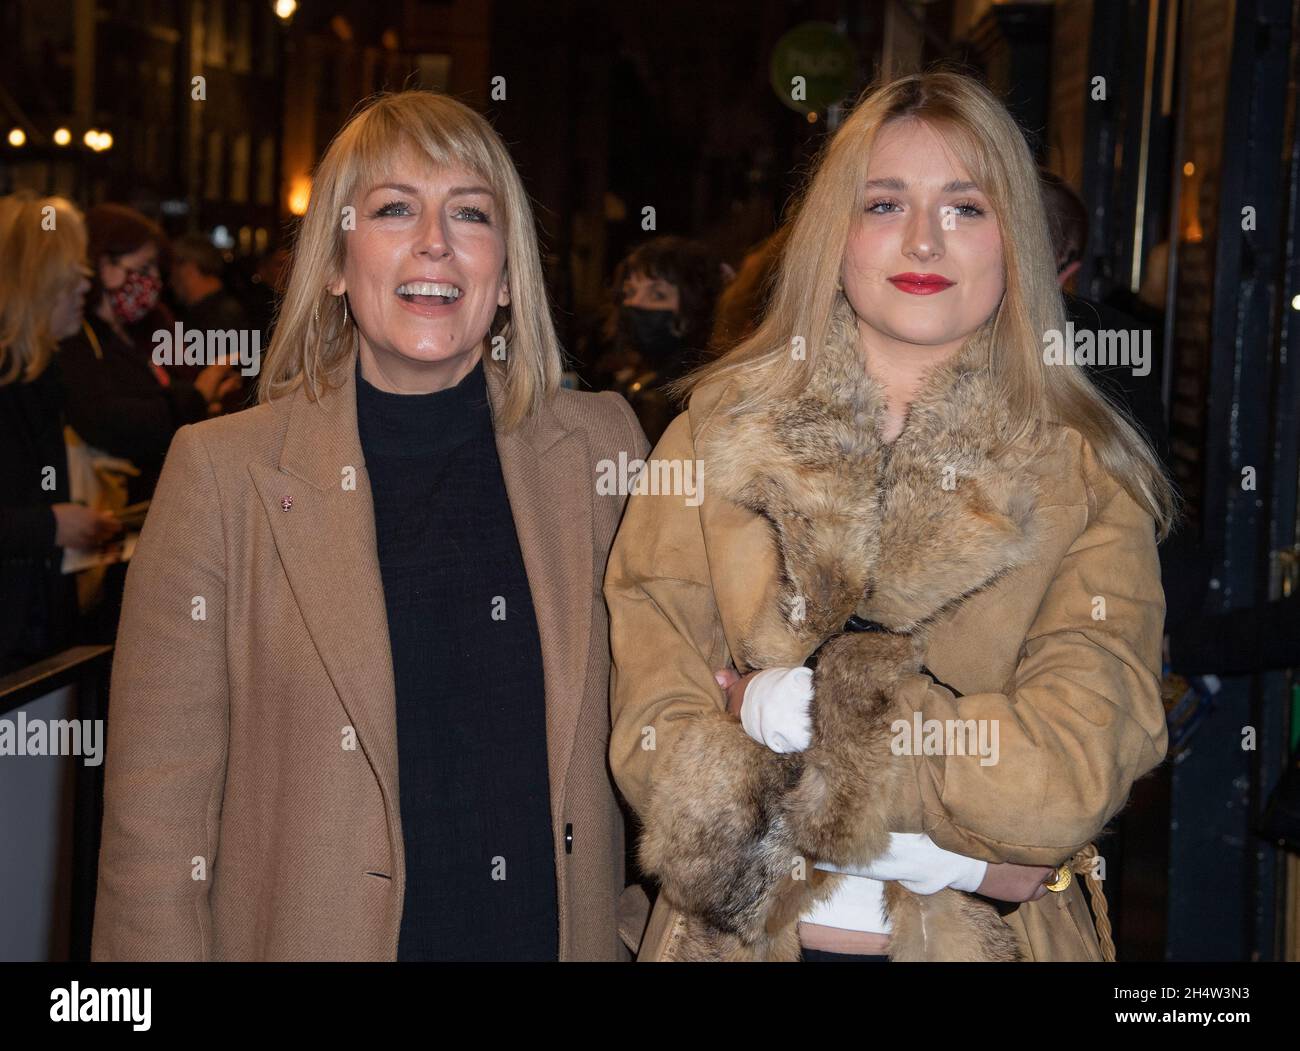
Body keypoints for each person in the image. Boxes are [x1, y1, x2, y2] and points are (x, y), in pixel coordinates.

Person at [606, 70, 1174, 961]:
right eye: (883, 204)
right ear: (836, 234)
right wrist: (973, 859)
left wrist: (788, 709)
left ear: (1013, 242)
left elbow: (1067, 773)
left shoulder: (1085, 474)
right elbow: (656, 746)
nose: (922, 238)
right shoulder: (712, 437)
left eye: (965, 207)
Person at [92, 90, 649, 961]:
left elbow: (677, 735)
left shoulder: (603, 450)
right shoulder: (222, 475)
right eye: (395, 208)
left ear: (505, 275)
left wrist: (635, 934)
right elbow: (155, 836)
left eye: (470, 212)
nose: (435, 240)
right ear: (335, 264)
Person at [0, 192, 119, 674]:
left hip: (35, 646)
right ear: (36, 281)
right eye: (72, 271)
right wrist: (52, 526)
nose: (84, 285)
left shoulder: (39, 374)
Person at [58, 204, 238, 503]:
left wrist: (209, 399)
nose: (152, 281)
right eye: (142, 269)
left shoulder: (146, 327)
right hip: (113, 508)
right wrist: (196, 397)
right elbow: (109, 420)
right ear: (102, 264)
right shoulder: (77, 336)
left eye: (156, 269)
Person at [591, 236, 727, 443]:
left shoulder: (694, 397)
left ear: (691, 311)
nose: (635, 303)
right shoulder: (636, 377)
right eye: (630, 291)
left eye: (657, 295)